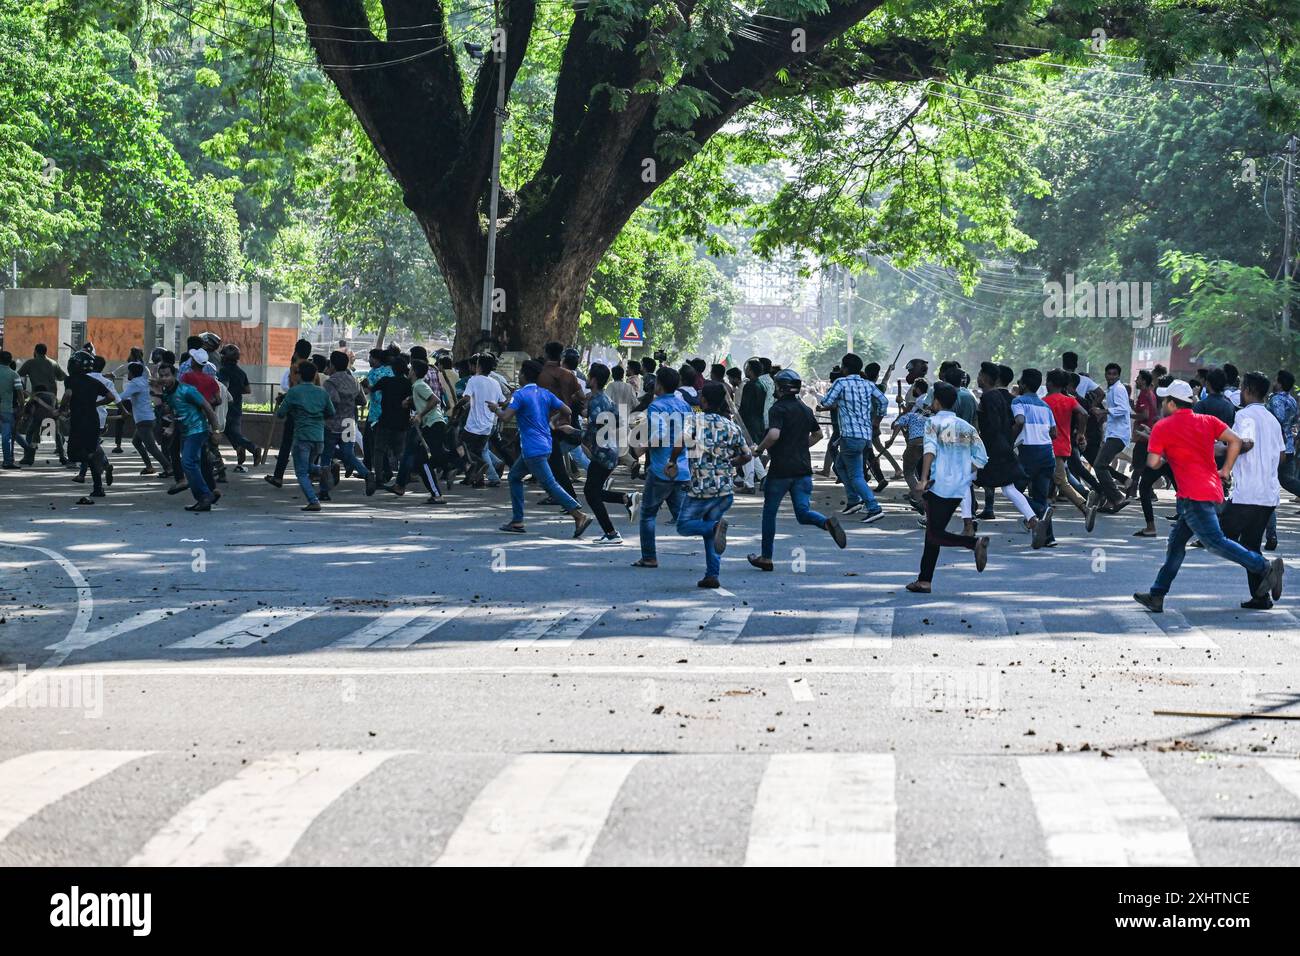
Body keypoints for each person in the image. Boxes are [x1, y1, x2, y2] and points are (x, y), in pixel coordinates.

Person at [1133, 379, 1284, 613]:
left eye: (1165, 400)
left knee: (1215, 542)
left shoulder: (1163, 426)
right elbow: (1235, 441)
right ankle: (1157, 594)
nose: (1163, 404)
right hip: (1209, 490)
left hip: (1194, 495)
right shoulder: (1207, 421)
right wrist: (1226, 470)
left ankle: (1263, 567)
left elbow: (1153, 463)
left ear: (1172, 403)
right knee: (1176, 544)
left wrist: (1159, 447)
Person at [747, 369, 846, 571]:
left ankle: (766, 557)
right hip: (802, 469)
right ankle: (826, 523)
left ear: (781, 388)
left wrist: (759, 449)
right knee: (802, 512)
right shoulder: (805, 410)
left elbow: (774, 434)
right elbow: (818, 435)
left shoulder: (778, 409)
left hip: (780, 470)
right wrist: (799, 446)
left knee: (770, 512)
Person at [906, 381, 990, 593]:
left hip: (938, 485)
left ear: (936, 401)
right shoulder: (966, 427)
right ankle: (924, 580)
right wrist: (961, 471)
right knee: (932, 534)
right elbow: (981, 457)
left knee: (934, 534)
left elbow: (929, 451)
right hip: (959, 488)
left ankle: (974, 544)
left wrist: (923, 479)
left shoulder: (933, 423)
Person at [491, 359, 591, 537]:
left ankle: (578, 514)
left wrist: (495, 410)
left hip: (532, 448)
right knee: (514, 476)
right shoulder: (544, 393)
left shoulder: (520, 395)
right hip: (545, 444)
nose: (518, 375)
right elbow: (567, 410)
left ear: (523, 375)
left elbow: (506, 417)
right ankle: (517, 520)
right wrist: (552, 421)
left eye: (520, 373)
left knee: (550, 484)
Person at [670, 382, 750, 587]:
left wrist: (672, 462)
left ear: (703, 401)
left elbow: (679, 442)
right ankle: (712, 575)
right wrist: (731, 463)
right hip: (724, 489)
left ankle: (714, 528)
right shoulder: (731, 426)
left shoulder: (694, 421)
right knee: (710, 533)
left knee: (684, 525)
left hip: (700, 488)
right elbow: (746, 455)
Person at [1222, 372, 1285, 609]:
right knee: (1250, 544)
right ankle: (1260, 597)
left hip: (1247, 492)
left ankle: (1267, 568)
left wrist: (1224, 454)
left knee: (1220, 537)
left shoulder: (1244, 416)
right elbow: (1281, 456)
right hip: (1268, 494)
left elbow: (1244, 444)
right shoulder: (1272, 419)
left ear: (1247, 389)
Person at [630, 366, 691, 567]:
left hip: (661, 469)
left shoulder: (657, 406)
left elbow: (659, 434)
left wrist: (641, 448)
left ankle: (649, 556)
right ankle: (710, 527)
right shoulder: (685, 406)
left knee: (647, 513)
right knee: (683, 517)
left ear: (659, 385)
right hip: (681, 468)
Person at [974, 362, 1040, 543]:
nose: (978, 377)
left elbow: (992, 427)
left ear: (986, 378)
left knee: (964, 478)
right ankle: (1033, 519)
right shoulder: (1004, 397)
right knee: (1008, 487)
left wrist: (981, 446)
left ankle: (967, 522)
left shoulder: (988, 398)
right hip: (1002, 447)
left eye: (980, 374)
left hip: (990, 450)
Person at [816, 352, 884, 522]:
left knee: (855, 475)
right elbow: (883, 401)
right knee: (839, 465)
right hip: (864, 436)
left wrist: (829, 399)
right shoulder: (868, 384)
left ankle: (873, 507)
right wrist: (876, 420)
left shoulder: (841, 382)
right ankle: (853, 500)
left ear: (845, 368)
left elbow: (826, 402)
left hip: (849, 435)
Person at [580, 363, 637, 544]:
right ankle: (625, 499)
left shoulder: (596, 401)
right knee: (593, 491)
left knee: (591, 493)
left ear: (594, 380)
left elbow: (592, 431)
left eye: (589, 376)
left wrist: (572, 432)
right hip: (609, 450)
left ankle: (611, 533)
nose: (587, 380)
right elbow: (618, 421)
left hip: (603, 452)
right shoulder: (605, 399)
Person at [158, 363, 220, 511]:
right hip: (185, 432)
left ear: (174, 375)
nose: (164, 378)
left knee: (188, 462)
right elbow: (175, 412)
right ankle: (204, 498)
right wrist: (172, 427)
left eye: (167, 375)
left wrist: (216, 431)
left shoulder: (187, 390)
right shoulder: (167, 393)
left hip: (197, 430)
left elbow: (208, 408)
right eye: (161, 376)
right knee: (196, 463)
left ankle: (205, 495)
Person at [276, 360, 334, 512]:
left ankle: (313, 500)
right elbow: (331, 412)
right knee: (307, 467)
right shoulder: (322, 392)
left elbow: (281, 414)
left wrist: (285, 407)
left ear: (299, 375)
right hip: (319, 436)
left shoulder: (294, 392)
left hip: (302, 436)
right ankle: (323, 469)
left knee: (301, 472)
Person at [59, 350, 114, 502]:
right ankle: (98, 489)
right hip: (93, 420)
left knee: (73, 455)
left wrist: (61, 408)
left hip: (79, 421)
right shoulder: (94, 382)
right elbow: (110, 397)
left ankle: (97, 461)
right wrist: (95, 403)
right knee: (90, 451)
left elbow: (68, 394)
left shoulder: (70, 380)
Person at [1010, 368, 1056, 547]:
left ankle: (1039, 512)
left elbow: (1019, 421)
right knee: (1041, 495)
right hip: (1047, 453)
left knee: (1012, 489)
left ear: (1024, 384)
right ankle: (1049, 538)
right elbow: (1054, 433)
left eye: (1020, 381)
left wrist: (1010, 442)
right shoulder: (1045, 406)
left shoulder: (1018, 401)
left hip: (1029, 453)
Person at [1084, 362, 1132, 524]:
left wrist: (1103, 411)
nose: (1111, 376)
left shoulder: (1118, 389)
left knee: (1099, 465)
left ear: (1118, 375)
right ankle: (1112, 499)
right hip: (1113, 433)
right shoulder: (1111, 390)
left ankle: (1117, 497)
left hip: (1119, 434)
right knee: (1101, 464)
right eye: (1108, 373)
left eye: (1114, 374)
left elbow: (1123, 410)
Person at [320, 350, 371, 500]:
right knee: (348, 454)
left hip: (332, 424)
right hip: (349, 422)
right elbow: (363, 401)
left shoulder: (330, 382)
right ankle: (367, 474)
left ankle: (324, 491)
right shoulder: (353, 380)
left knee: (326, 456)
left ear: (333, 365)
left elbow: (333, 401)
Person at [1043, 368, 1089, 516]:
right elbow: (1084, 413)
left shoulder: (1044, 402)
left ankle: (1085, 507)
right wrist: (1081, 433)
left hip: (1047, 446)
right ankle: (1040, 510)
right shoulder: (1069, 400)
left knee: (1061, 481)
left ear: (1049, 383)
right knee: (1051, 478)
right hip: (1063, 445)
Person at [1265, 369, 1300, 549]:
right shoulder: (1292, 400)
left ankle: (1269, 531)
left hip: (1277, 447)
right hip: (1289, 446)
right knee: (1286, 480)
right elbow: (1294, 420)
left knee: (1271, 483)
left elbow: (1276, 421)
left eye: (1276, 380)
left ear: (1280, 382)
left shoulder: (1276, 400)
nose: (1274, 382)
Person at [459, 353, 506, 487]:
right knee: (480, 451)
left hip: (474, 425)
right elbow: (503, 402)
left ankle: (488, 472)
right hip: (489, 425)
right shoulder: (495, 382)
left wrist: (457, 406)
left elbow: (466, 398)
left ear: (478, 365)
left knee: (460, 445)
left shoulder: (474, 380)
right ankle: (480, 478)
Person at [19, 343, 66, 465]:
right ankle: (62, 455)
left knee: (32, 430)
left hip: (38, 399)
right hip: (52, 400)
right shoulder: (53, 363)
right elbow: (62, 377)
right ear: (46, 351)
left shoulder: (30, 363)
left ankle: (29, 456)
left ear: (35, 351)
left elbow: (19, 374)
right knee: (56, 430)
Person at [217, 345, 261, 472]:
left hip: (226, 406)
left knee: (226, 431)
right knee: (232, 432)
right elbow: (247, 390)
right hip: (237, 406)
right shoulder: (241, 372)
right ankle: (239, 451)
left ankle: (252, 447)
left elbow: (223, 388)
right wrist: (237, 389)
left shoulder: (223, 371)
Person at [119, 361, 166, 476]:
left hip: (143, 420)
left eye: (128, 372)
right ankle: (149, 467)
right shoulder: (143, 381)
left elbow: (122, 397)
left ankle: (168, 467)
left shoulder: (135, 383)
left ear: (132, 373)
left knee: (151, 447)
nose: (127, 375)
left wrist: (109, 396)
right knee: (136, 442)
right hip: (147, 417)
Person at [0, 350, 30, 468]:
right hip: (6, 409)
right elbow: (20, 393)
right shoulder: (14, 375)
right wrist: (22, 408)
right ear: (10, 361)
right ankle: (8, 461)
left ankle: (26, 448)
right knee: (7, 436)